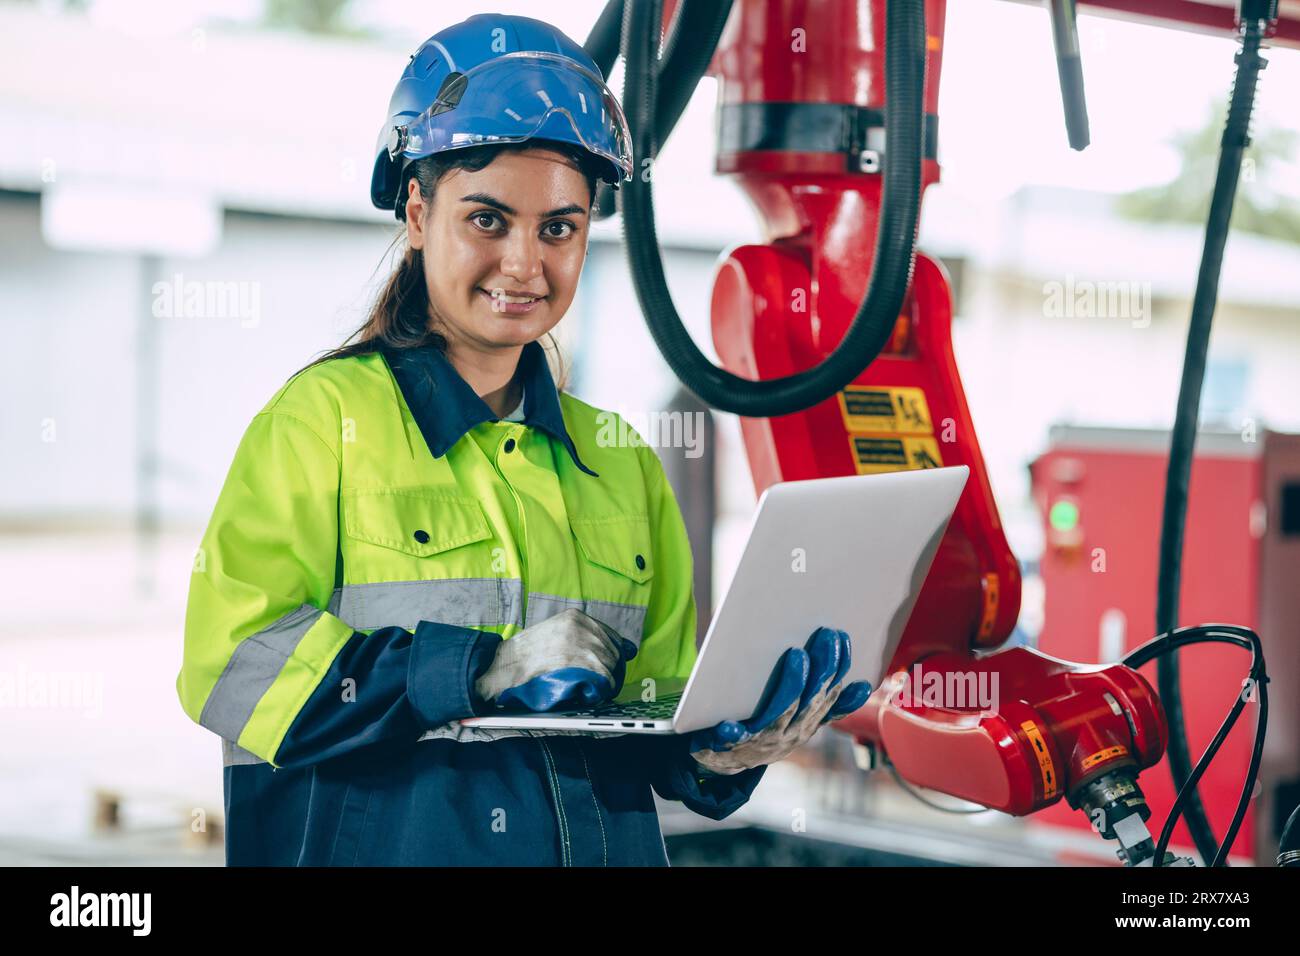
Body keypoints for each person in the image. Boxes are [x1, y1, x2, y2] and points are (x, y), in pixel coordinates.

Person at [176, 13, 872, 867]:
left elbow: (647, 720)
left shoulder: (619, 463)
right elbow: (230, 668)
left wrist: (719, 752)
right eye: (488, 220)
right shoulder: (319, 426)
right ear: (420, 212)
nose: (524, 265)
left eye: (559, 228)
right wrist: (474, 671)